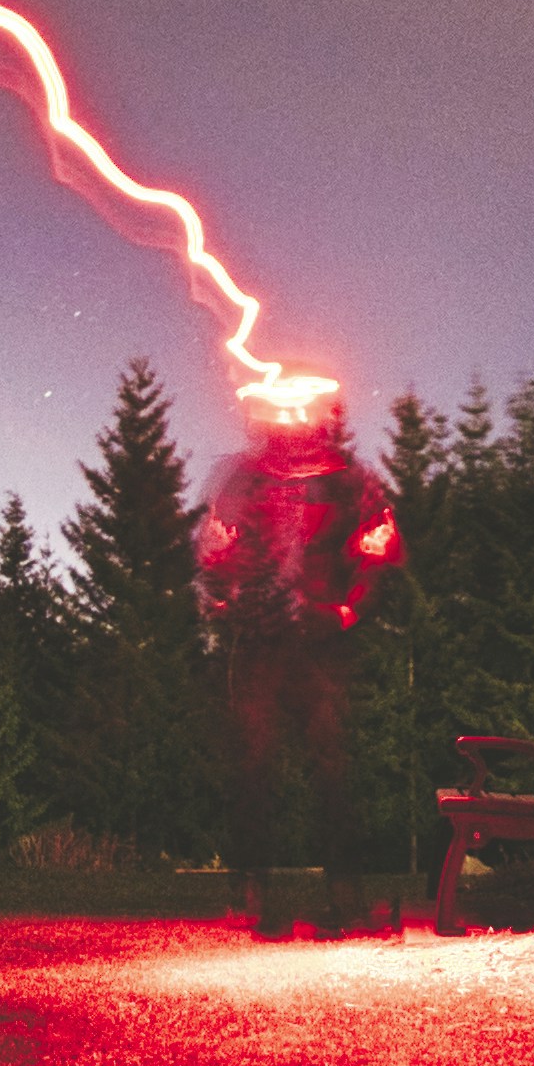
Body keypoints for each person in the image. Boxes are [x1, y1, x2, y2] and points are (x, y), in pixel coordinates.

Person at [193, 378, 399, 932]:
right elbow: (216, 545)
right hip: (260, 643)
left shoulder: (350, 479)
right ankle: (250, 889)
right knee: (252, 763)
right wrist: (226, 596)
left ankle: (345, 890)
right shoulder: (246, 478)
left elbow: (378, 549)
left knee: (331, 765)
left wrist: (345, 612)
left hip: (322, 647)